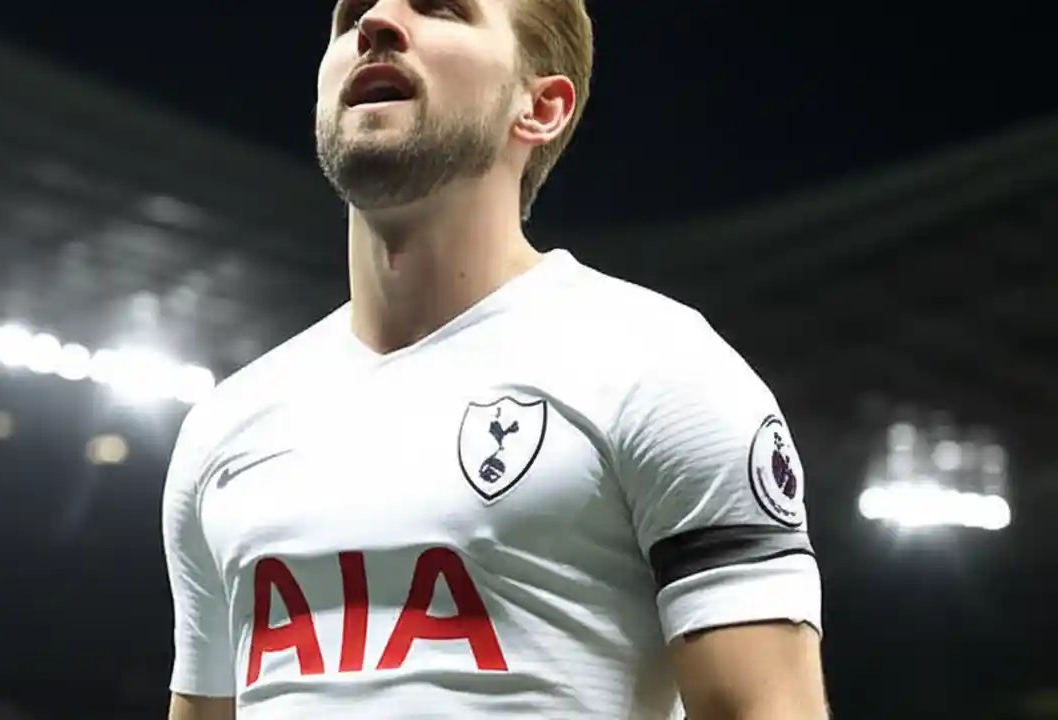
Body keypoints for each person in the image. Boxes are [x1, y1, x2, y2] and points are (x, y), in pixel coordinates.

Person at [163, 1, 828, 718]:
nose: (377, 23)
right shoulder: (225, 429)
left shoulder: (658, 370)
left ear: (540, 107)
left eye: (441, 8)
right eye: (353, 11)